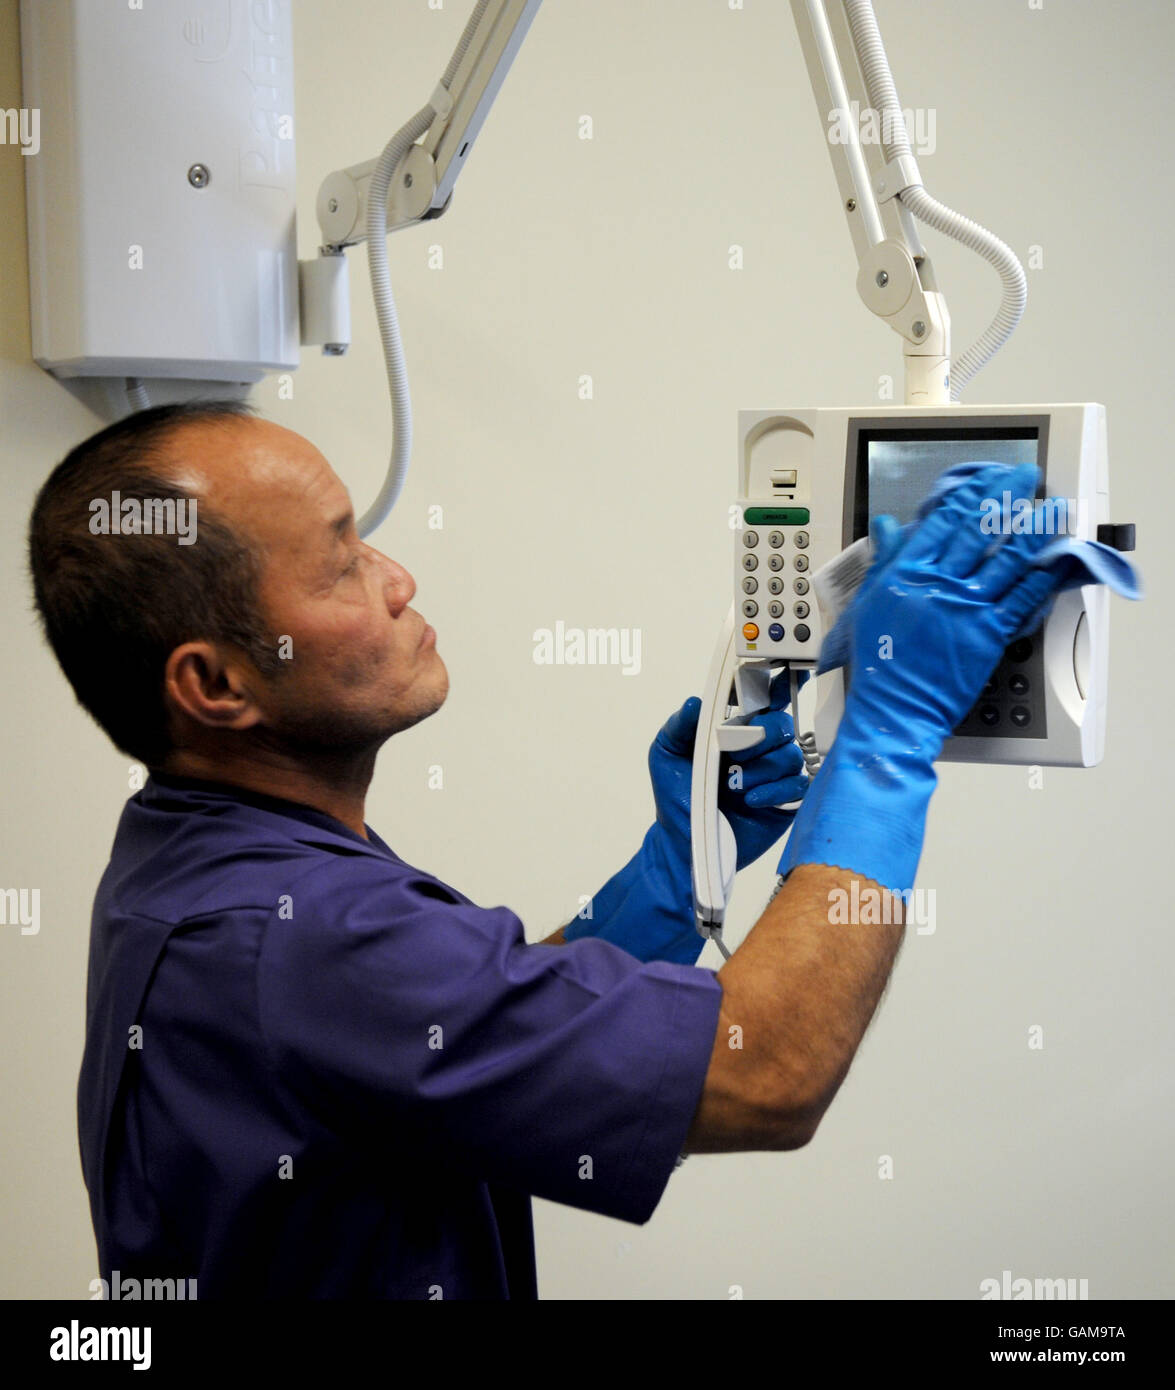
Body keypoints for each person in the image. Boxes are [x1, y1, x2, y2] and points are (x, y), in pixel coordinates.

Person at [27, 399, 1063, 1299]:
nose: (398, 579)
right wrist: (887, 737)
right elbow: (769, 1070)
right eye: (341, 564)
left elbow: (458, 1041)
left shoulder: (196, 855)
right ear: (215, 686)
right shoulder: (296, 934)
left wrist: (668, 876)